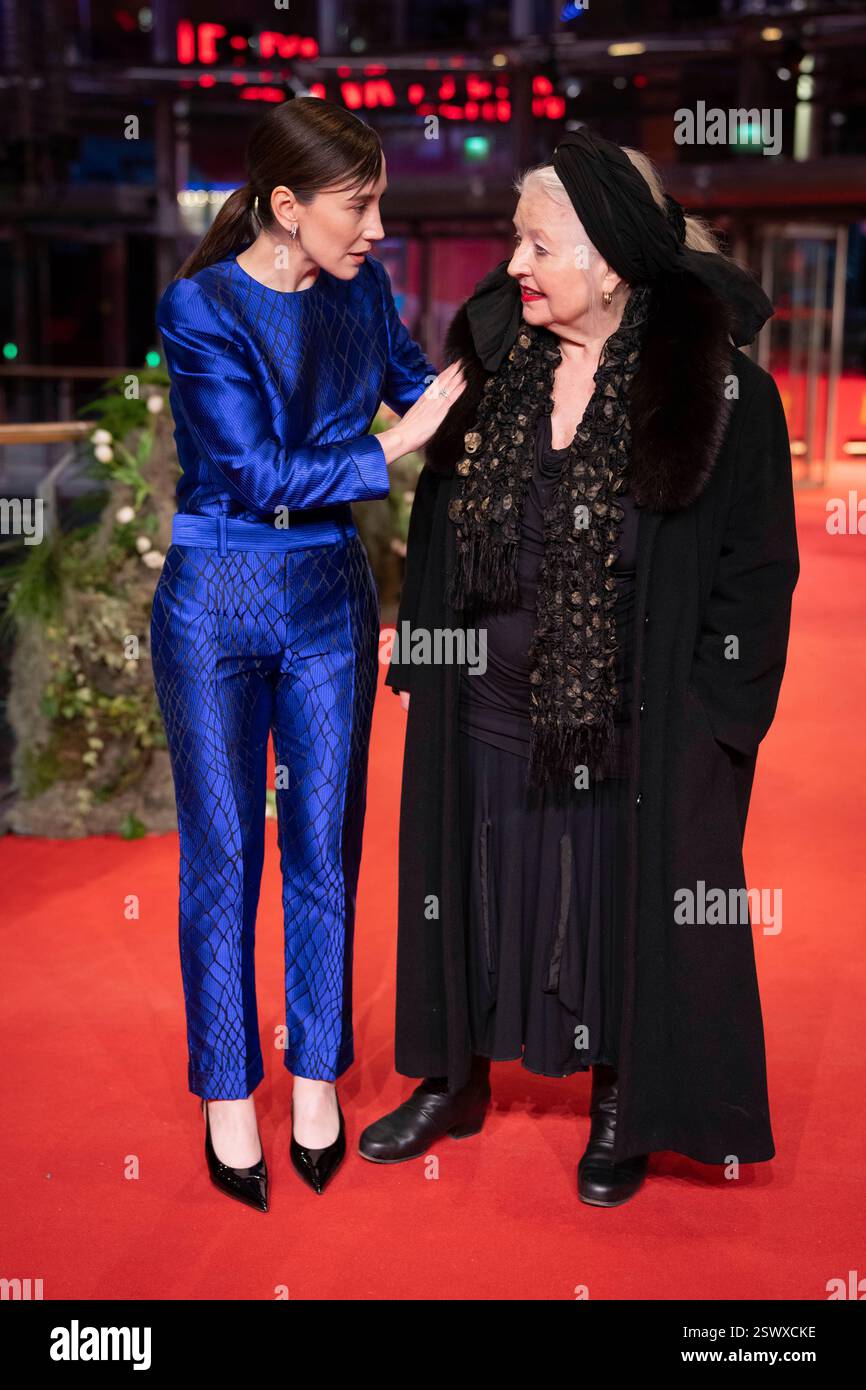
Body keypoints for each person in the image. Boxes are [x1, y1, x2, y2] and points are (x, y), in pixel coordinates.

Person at [359, 127, 799, 1207]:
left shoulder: (716, 392)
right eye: (516, 241)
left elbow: (755, 570)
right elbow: (441, 516)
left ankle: (621, 1102)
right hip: (485, 698)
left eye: (537, 244)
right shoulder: (495, 357)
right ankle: (450, 1075)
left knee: (616, 899)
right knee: (464, 886)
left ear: (604, 255)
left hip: (631, 712)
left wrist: (713, 718)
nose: (514, 264)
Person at [151, 97, 465, 1210]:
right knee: (225, 858)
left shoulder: (363, 293)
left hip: (328, 596)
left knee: (326, 846)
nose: (378, 225)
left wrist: (513, 385)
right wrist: (398, 440)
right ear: (286, 207)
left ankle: (317, 1075)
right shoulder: (199, 309)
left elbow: (426, 392)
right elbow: (255, 470)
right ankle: (227, 1092)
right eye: (360, 203)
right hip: (215, 601)